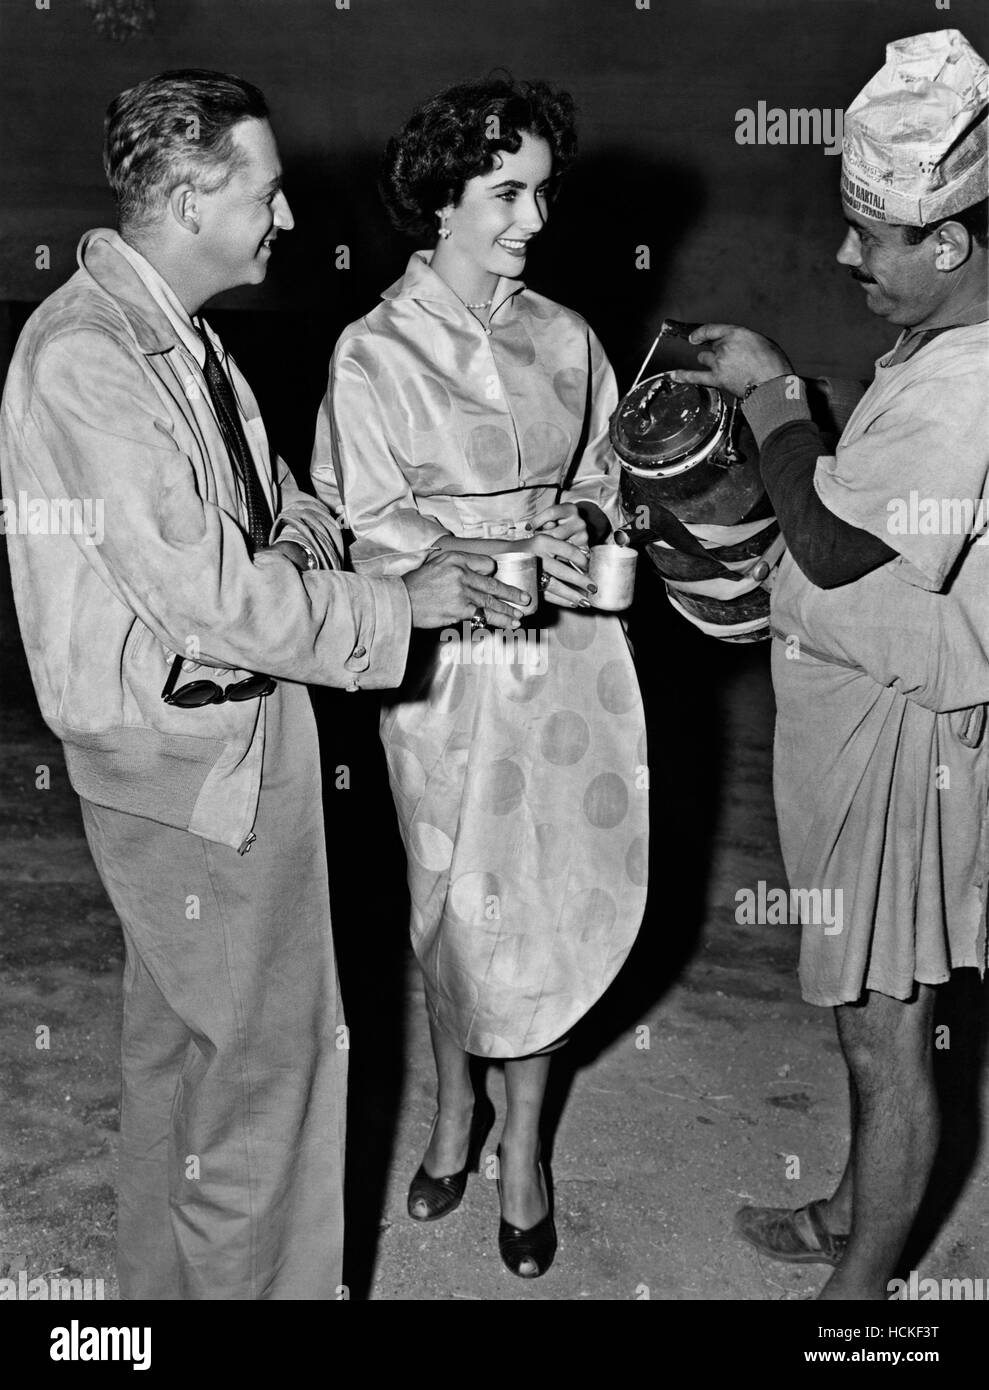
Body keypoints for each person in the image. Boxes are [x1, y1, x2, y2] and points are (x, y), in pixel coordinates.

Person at [0, 68, 526, 1300]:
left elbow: (291, 511)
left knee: (185, 1062)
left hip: (229, 734)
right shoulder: (89, 361)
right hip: (196, 764)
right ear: (189, 199)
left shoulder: (183, 341)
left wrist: (384, 557)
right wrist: (397, 606)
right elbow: (213, 598)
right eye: (268, 192)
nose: (287, 218)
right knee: (270, 1080)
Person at [311, 77, 649, 1279]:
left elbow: (610, 478)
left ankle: (520, 1149)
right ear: (439, 204)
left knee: (551, 900)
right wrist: (459, 552)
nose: (533, 220)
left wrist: (586, 523)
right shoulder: (373, 354)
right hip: (447, 672)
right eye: (506, 192)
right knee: (454, 906)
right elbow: (359, 526)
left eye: (543, 191)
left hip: (567, 662)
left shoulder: (567, 337)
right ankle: (454, 1108)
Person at [675, 28, 988, 1300]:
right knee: (866, 1006)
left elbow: (837, 539)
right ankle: (852, 1211)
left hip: (900, 746)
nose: (848, 256)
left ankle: (857, 1303)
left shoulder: (972, 379)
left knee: (880, 1032)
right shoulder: (936, 350)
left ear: (950, 244)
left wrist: (767, 397)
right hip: (856, 715)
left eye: (875, 239)